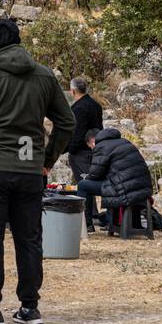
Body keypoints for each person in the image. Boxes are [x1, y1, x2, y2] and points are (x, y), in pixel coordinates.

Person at [0, 18, 74, 324]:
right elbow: (67, 123)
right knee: (30, 239)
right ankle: (29, 307)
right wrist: (47, 160)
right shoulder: (45, 76)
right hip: (30, 171)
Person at [76, 128, 153, 233]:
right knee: (108, 185)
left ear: (93, 142)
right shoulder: (125, 142)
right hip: (142, 187)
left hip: (124, 188)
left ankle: (86, 225)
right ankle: (109, 222)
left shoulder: (101, 146)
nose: (92, 149)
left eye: (91, 147)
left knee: (83, 185)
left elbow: (96, 173)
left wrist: (87, 177)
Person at [67, 77, 104, 232]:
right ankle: (91, 214)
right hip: (96, 148)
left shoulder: (78, 108)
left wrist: (70, 148)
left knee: (84, 183)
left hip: (81, 151)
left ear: (73, 91)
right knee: (88, 181)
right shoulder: (95, 105)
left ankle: (87, 218)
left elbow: (78, 132)